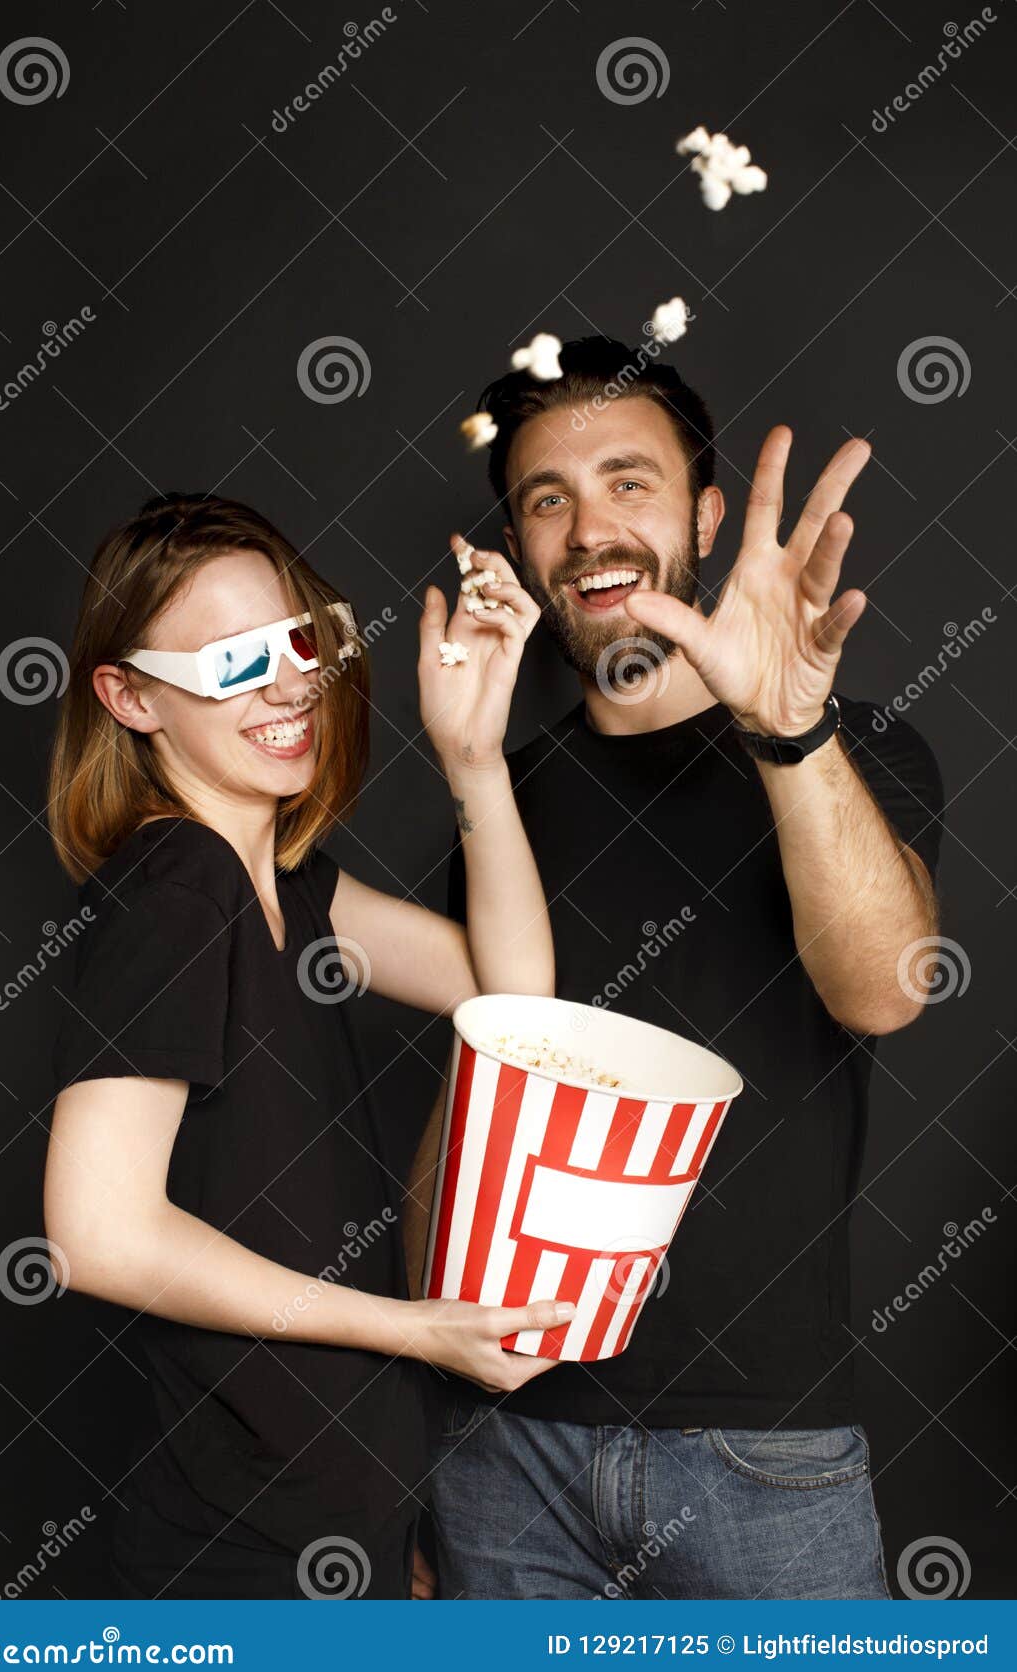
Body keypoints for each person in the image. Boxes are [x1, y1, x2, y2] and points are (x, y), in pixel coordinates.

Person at [409, 337, 946, 1600]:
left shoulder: (854, 752)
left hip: (762, 1449)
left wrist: (787, 731)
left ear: (705, 516)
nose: (590, 529)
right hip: (504, 1443)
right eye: (547, 499)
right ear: (517, 546)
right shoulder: (500, 790)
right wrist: (411, 1436)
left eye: (627, 481)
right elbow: (474, 1101)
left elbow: (881, 989)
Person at [43, 491, 575, 1600]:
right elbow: (99, 1236)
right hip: (235, 1557)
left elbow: (515, 998)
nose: (290, 686)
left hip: (336, 1527)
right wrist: (418, 1331)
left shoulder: (291, 886)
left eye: (297, 641)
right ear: (130, 697)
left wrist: (472, 756)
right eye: (233, 661)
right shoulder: (176, 891)